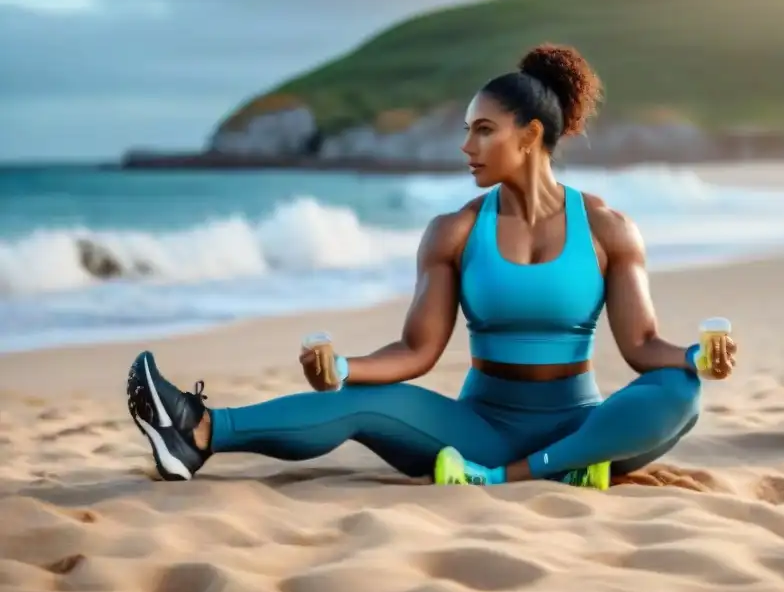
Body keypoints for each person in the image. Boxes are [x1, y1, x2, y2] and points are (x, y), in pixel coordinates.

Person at [126, 43, 739, 488]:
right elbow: (416, 351)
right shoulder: (454, 231)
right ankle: (199, 431)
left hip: (584, 427)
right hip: (478, 430)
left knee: (678, 390)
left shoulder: (608, 229)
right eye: (467, 131)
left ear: (529, 136)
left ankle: (507, 476)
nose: (467, 147)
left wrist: (695, 357)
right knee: (365, 400)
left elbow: (643, 345)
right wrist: (344, 367)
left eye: (483, 131)